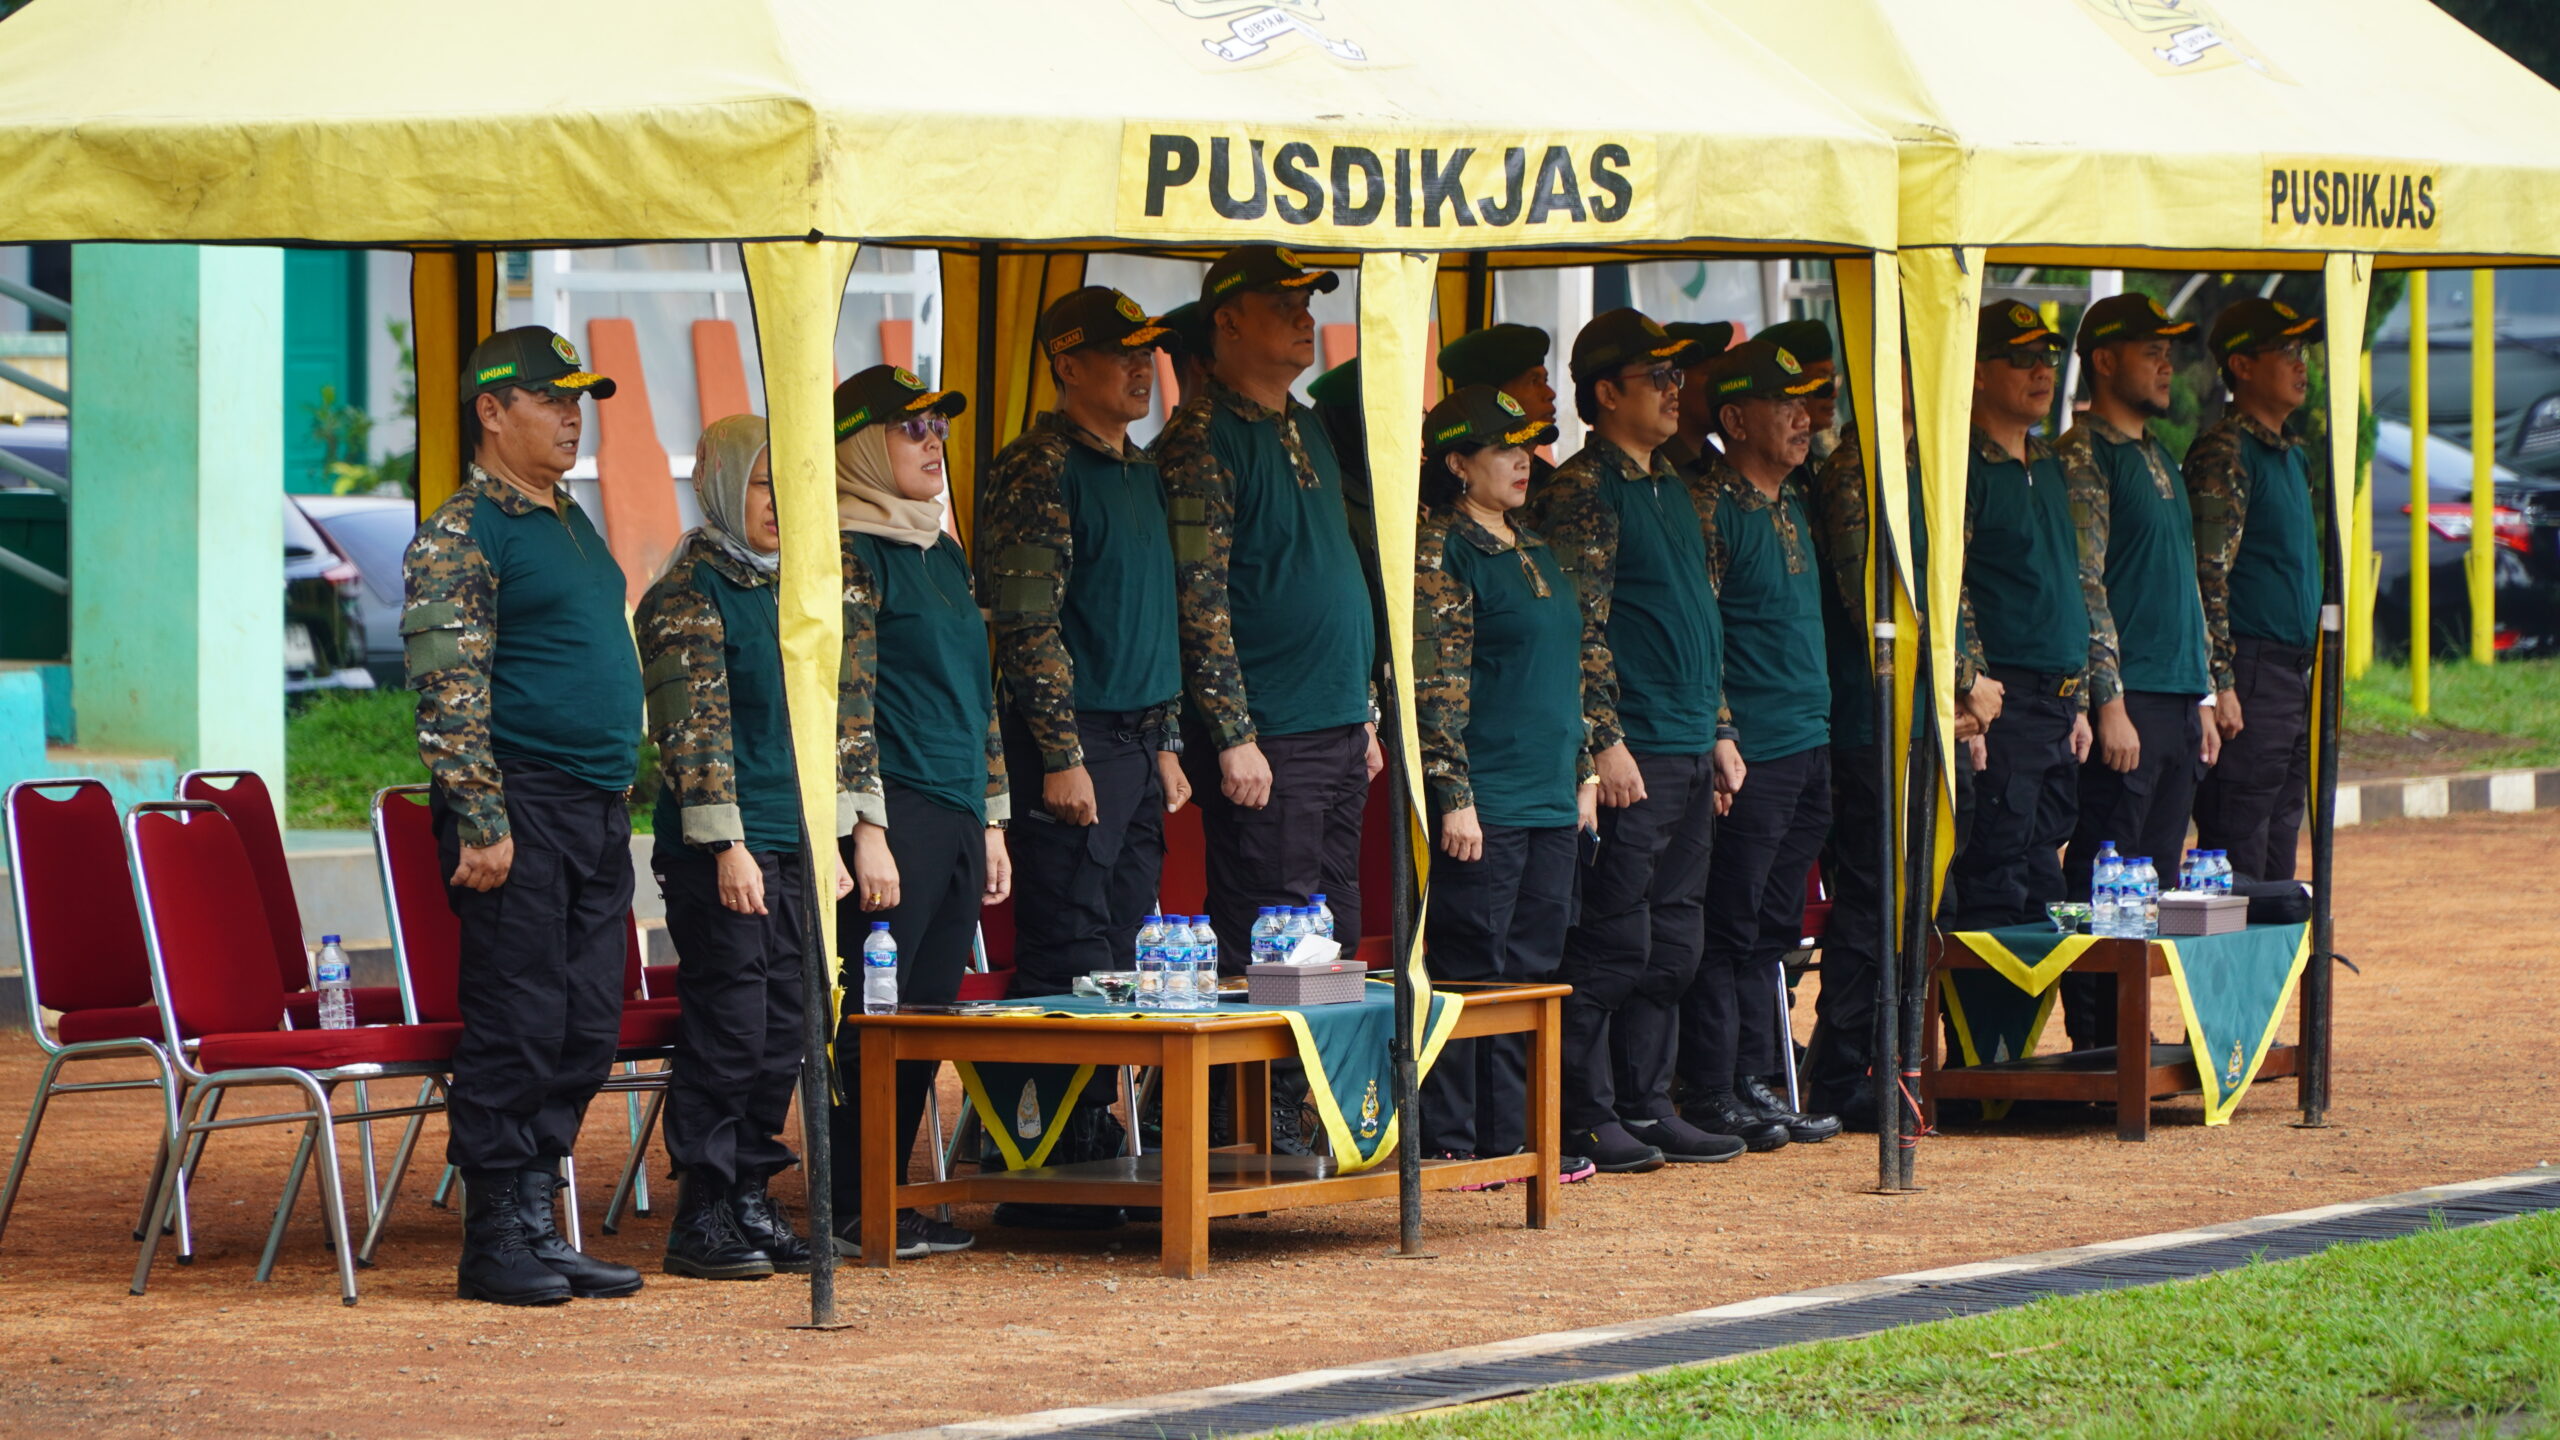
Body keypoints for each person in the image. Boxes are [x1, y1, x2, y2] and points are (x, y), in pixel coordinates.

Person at [403, 325, 646, 1306]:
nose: (570, 416)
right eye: (550, 399)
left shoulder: (568, 520)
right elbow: (445, 682)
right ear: (492, 411)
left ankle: (540, 1221)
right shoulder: (466, 530)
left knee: (586, 1023)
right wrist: (481, 817)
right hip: (519, 800)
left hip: (592, 805)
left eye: (577, 399)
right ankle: (495, 1234)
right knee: (519, 1020)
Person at [978, 289, 1191, 1228]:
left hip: (1140, 745)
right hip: (1076, 745)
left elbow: (1161, 619)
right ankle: (1038, 1156)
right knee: (1065, 949)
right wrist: (1060, 753)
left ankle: (1096, 1138)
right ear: (1067, 366)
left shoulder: (1140, 471)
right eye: (1119, 354)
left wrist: (1171, 741)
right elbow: (1027, 624)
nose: (1142, 369)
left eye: (1148, 353)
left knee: (1121, 954)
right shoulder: (1037, 468)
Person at [1526, 308, 1746, 1173]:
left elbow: (1702, 622)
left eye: (1676, 377)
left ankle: (1650, 1105)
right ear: (1606, 393)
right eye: (1656, 378)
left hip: (1690, 742)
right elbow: (1578, 627)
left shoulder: (1677, 487)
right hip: (1636, 749)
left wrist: (1722, 727)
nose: (1674, 391)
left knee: (1676, 940)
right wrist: (1604, 740)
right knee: (1615, 938)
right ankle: (1587, 1111)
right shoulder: (1584, 490)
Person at [636, 415, 856, 1280]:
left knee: (785, 1030)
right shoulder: (689, 592)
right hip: (720, 847)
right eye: (766, 485)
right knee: (728, 1024)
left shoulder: (790, 590)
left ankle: (752, 1200)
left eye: (792, 486)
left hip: (793, 840)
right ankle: (704, 1211)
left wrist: (832, 834)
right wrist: (727, 845)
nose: (781, 505)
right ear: (725, 487)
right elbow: (693, 736)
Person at [1154, 245, 1382, 1024]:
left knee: (1335, 929)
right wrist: (1231, 734)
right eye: (1282, 303)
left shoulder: (1308, 427)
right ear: (1227, 321)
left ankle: (1316, 1104)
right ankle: (1256, 1120)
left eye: (1306, 299)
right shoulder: (1202, 439)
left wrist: (1365, 710)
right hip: (1271, 736)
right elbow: (1197, 598)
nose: (1304, 316)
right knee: (1275, 938)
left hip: (1339, 726)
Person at [828, 363, 1012, 1260]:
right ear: (860, 446)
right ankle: (854, 1200)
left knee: (926, 1014)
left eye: (939, 427)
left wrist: (993, 815)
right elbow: (846, 701)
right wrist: (865, 828)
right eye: (911, 430)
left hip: (953, 809)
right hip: (894, 813)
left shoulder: (939, 548)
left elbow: (978, 693)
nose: (933, 442)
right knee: (878, 1014)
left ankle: (887, 1195)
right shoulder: (849, 554)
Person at [1412, 385, 1600, 1187]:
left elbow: (1569, 672)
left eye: (1527, 445)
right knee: (1471, 968)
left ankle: (1520, 1137)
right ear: (1458, 464)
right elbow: (1435, 682)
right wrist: (1453, 794)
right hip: (1487, 798)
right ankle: (1457, 1140)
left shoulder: (1529, 542)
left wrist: (1585, 770)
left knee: (1531, 970)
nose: (1525, 460)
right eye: (1503, 449)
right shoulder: (1444, 549)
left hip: (1551, 792)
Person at [1804, 372, 1995, 1124]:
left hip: (1933, 721)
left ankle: (1893, 1060)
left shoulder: (1924, 464)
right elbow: (1874, 604)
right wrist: (1961, 680)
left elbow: (1952, 591)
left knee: (1927, 901)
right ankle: (1843, 1072)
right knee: (1875, 902)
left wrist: (1968, 693)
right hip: (1877, 723)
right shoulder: (1859, 474)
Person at [1678, 339, 1841, 1149]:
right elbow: (1699, 631)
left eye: (1806, 402)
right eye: (1784, 404)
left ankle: (1761, 1078)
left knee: (1777, 924)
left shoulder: (1793, 502)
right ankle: (1715, 1084)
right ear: (1735, 418)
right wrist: (1722, 730)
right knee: (1731, 922)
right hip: (1755, 747)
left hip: (1810, 737)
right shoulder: (1710, 505)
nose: (1803, 418)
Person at [2058, 294, 2221, 1048]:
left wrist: (2208, 692)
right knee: (2104, 873)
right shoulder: (2085, 452)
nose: (2166, 363)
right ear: (2103, 360)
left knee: (2152, 881)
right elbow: (2085, 581)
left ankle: (2128, 1037)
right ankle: (2095, 1041)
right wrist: (2108, 698)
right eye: (2149, 349)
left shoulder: (2156, 452)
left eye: (2170, 349)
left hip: (2177, 697)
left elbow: (2184, 577)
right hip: (2131, 702)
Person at [1947, 302, 2099, 933]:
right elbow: (1948, 588)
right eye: (2022, 359)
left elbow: (2071, 587)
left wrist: (2082, 699)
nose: (2042, 371)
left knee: (2044, 884)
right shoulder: (1965, 467)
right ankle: (1985, 1038)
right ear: (1979, 372)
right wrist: (1970, 692)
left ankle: (2021, 1036)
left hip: (2057, 708)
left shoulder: (2051, 463)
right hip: (2004, 705)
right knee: (1995, 886)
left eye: (2048, 358)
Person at [2188, 298, 2326, 881]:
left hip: (2293, 674)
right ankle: (2235, 975)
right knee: (2240, 841)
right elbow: (2207, 577)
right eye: (2286, 352)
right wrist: (2221, 684)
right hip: (2251, 670)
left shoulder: (2289, 455)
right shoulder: (2228, 451)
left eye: (2303, 353)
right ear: (2241, 366)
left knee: (2280, 838)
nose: (2302, 366)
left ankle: (2271, 974)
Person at [1437, 323, 1560, 493]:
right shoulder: (1448, 490)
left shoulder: (1555, 485)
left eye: (1545, 381)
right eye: (1533, 382)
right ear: (1493, 399)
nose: (1550, 393)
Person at [1661, 321, 1739, 482]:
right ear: (1674, 382)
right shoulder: (1658, 468)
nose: (1723, 388)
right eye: (1711, 375)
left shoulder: (1718, 462)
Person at [1760, 319, 1842, 465]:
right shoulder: (1771, 467)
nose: (1833, 394)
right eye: (1821, 379)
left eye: (1832, 378)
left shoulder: (1818, 454)